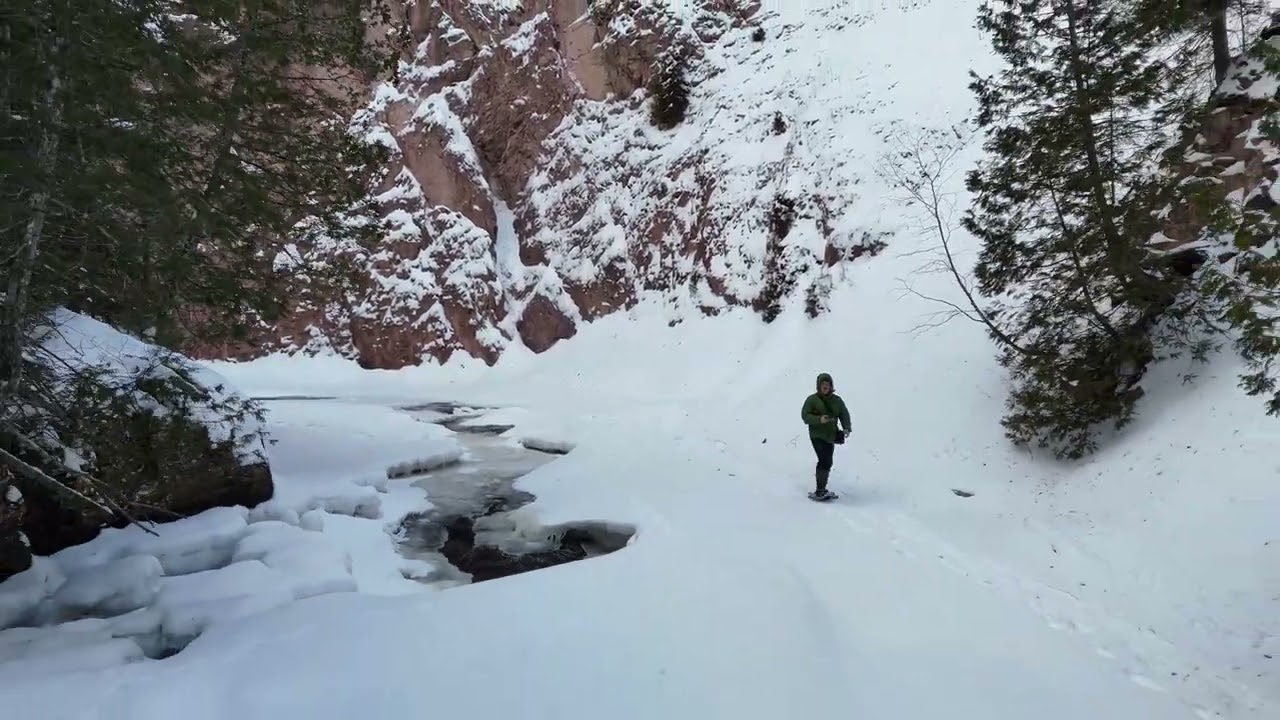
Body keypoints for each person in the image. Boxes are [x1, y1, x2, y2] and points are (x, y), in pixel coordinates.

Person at [800, 372, 851, 499]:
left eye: (827, 384)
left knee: (828, 461)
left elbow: (844, 414)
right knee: (824, 460)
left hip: (830, 435)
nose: (825, 386)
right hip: (817, 435)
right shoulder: (812, 400)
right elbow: (805, 416)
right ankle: (820, 490)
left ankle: (822, 489)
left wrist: (846, 428)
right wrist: (819, 419)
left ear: (831, 386)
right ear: (818, 386)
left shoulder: (836, 401)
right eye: (822, 384)